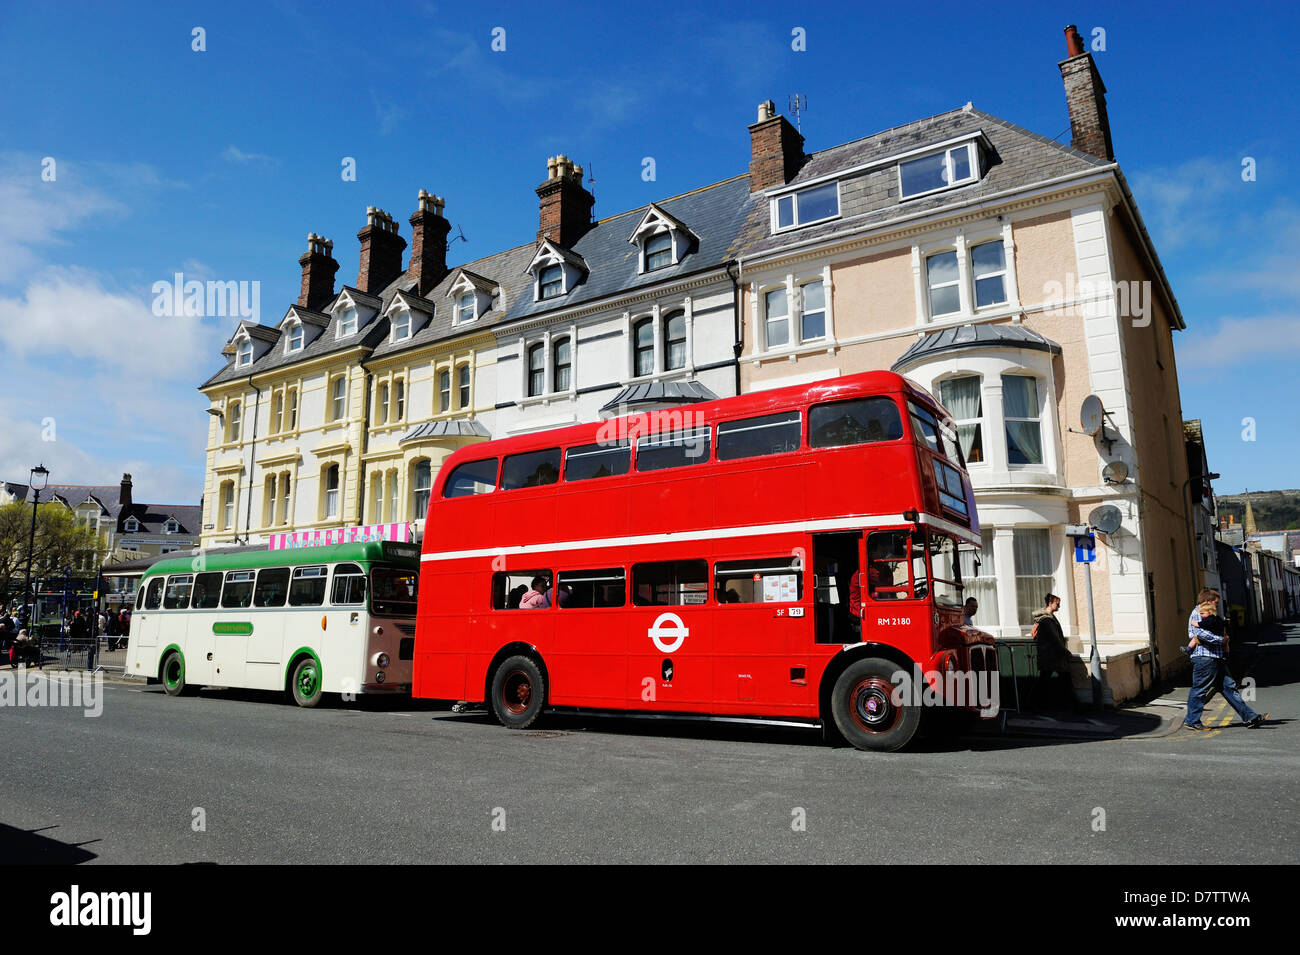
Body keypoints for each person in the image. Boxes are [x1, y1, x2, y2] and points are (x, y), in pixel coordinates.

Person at [1184, 588, 1268, 730]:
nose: (1216, 605)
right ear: (1206, 601)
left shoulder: (1210, 613)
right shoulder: (1197, 613)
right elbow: (1199, 633)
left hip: (1215, 658)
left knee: (1229, 688)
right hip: (1205, 658)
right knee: (1199, 690)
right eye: (1215, 603)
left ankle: (1250, 718)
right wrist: (1221, 640)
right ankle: (1192, 721)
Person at [1032, 593, 1075, 710]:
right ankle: (1073, 705)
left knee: (1045, 681)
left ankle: (1035, 705)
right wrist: (1065, 651)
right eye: (1057, 603)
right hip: (1052, 656)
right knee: (1063, 679)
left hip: (1049, 656)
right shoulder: (1047, 619)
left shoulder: (1046, 618)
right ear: (1050, 603)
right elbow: (1055, 638)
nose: (1059, 606)